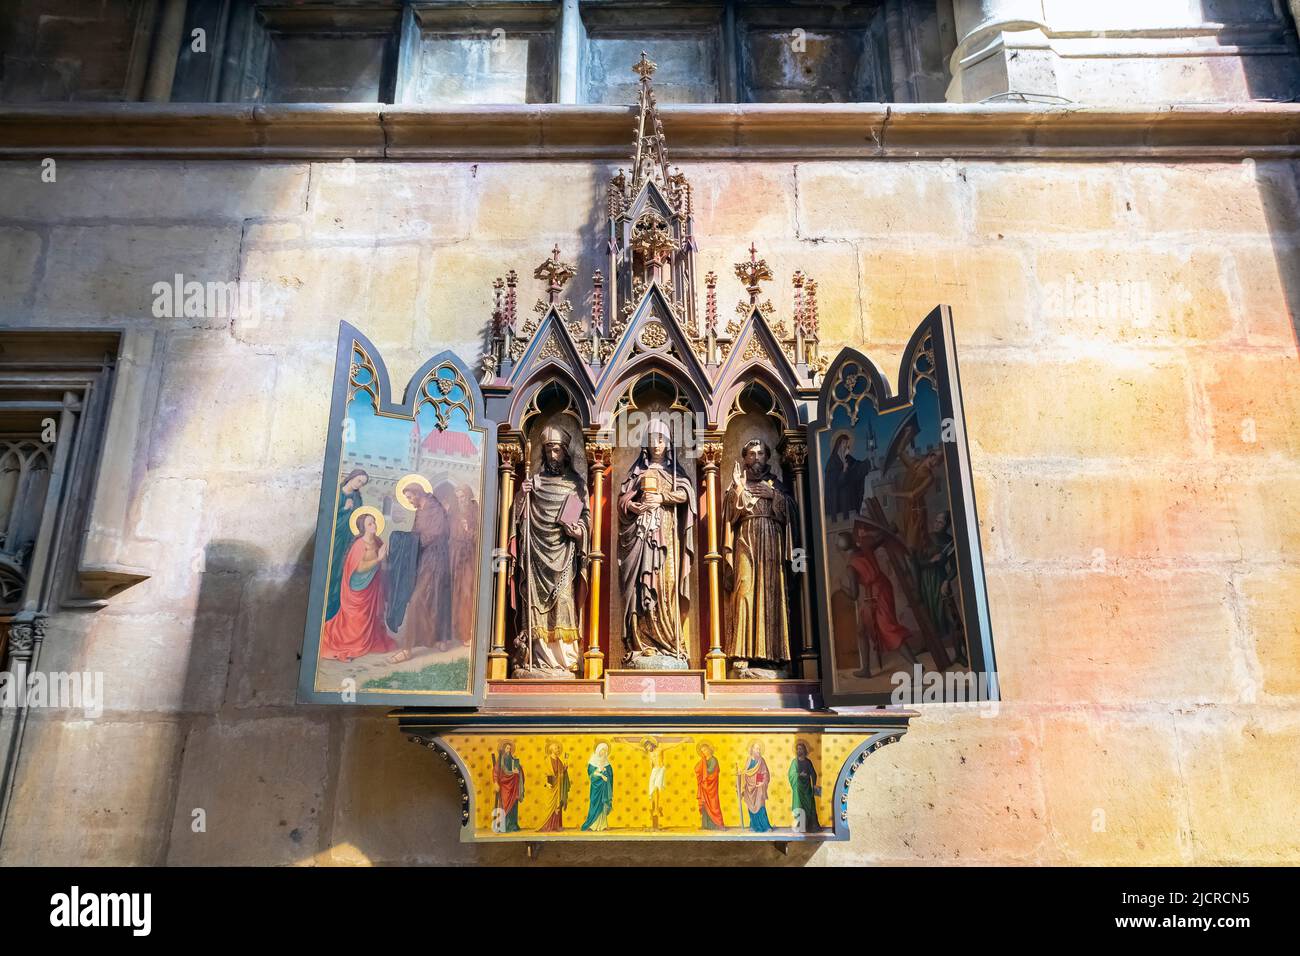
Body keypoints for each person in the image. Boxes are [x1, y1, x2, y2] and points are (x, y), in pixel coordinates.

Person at [616, 418, 695, 665]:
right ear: (646, 445)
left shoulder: (675, 472)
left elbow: (687, 494)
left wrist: (662, 497)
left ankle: (670, 643)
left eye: (661, 440)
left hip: (667, 538)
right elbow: (622, 501)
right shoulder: (637, 473)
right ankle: (643, 643)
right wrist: (634, 505)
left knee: (667, 584)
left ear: (668, 443)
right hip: (641, 538)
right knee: (641, 587)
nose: (657, 445)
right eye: (652, 441)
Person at [512, 426, 589, 675]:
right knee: (535, 606)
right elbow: (516, 522)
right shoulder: (534, 483)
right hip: (535, 553)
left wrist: (578, 532)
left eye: (557, 450)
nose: (553, 455)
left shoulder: (576, 484)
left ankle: (565, 660)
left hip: (564, 553)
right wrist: (522, 498)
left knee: (564, 600)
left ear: (566, 452)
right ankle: (537, 657)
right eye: (548, 450)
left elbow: (586, 519)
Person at [722, 439, 794, 670]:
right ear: (744, 458)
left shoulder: (776, 484)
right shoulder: (738, 483)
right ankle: (741, 651)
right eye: (751, 454)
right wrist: (738, 489)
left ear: (767, 457)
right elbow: (729, 516)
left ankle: (772, 655)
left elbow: (793, 512)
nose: (756, 458)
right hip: (746, 537)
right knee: (743, 590)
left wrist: (775, 496)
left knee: (770, 591)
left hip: (772, 540)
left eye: (760, 453)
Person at [385, 479, 452, 664]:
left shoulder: (435, 509)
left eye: (409, 497)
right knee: (423, 599)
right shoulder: (419, 512)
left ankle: (407, 649)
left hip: (436, 560)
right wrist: (402, 542)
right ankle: (433, 638)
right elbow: (415, 534)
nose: (408, 501)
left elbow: (435, 534)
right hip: (423, 559)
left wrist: (410, 542)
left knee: (420, 600)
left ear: (417, 493)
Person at [319, 509, 395, 662]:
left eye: (374, 522)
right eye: (370, 523)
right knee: (358, 619)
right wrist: (378, 559)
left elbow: (385, 562)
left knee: (371, 616)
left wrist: (386, 557)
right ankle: (350, 643)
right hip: (358, 588)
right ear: (363, 527)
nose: (374, 525)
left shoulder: (378, 541)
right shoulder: (359, 545)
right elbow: (359, 567)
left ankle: (368, 639)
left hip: (373, 584)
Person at [325, 469, 369, 620]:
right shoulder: (337, 493)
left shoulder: (357, 498)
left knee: (342, 573)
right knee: (331, 571)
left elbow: (358, 519)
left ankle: (336, 609)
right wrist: (344, 509)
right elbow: (327, 516)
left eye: (362, 483)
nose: (359, 485)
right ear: (352, 477)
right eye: (359, 481)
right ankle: (326, 607)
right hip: (335, 539)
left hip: (348, 541)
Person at [451, 485, 480, 647]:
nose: (460, 500)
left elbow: (479, 536)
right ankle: (458, 631)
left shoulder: (475, 512)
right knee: (457, 594)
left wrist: (468, 532)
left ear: (468, 496)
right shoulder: (454, 515)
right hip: (457, 560)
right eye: (457, 498)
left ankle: (467, 632)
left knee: (468, 594)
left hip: (471, 559)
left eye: (462, 497)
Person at [788, 740, 822, 832]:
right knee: (799, 805)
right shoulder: (794, 762)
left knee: (809, 805)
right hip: (798, 788)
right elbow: (791, 774)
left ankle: (811, 826)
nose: (799, 751)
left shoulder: (808, 762)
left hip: (807, 788)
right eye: (797, 749)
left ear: (804, 750)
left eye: (801, 749)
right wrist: (799, 775)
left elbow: (813, 773)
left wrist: (814, 784)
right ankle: (800, 825)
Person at [491, 741, 524, 833]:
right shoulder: (500, 760)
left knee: (513, 804)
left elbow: (516, 770)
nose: (509, 750)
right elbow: (496, 772)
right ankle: (504, 826)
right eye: (507, 748)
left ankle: (512, 825)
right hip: (505, 785)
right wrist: (496, 782)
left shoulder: (513, 759)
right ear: (503, 749)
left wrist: (519, 769)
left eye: (510, 749)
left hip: (513, 785)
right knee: (504, 804)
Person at [537, 740, 570, 832]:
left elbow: (560, 773)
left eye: (558, 748)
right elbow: (543, 774)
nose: (558, 750)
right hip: (551, 787)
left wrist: (564, 769)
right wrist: (546, 783)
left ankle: (556, 826)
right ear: (551, 750)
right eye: (556, 748)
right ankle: (547, 826)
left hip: (558, 787)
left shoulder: (559, 760)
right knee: (549, 806)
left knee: (558, 806)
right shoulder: (547, 760)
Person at [580, 743, 614, 832]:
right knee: (595, 804)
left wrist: (606, 773)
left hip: (604, 788)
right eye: (602, 750)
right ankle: (592, 825)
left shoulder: (607, 763)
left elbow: (610, 775)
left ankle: (603, 825)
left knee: (603, 805)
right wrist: (601, 774)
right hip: (596, 788)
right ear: (598, 750)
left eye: (605, 750)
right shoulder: (592, 761)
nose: (604, 752)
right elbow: (591, 775)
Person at [740, 742, 772, 832]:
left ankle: (766, 826)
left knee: (761, 806)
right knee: (751, 806)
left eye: (759, 749)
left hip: (758, 786)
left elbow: (765, 773)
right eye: (756, 749)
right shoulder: (749, 760)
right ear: (752, 750)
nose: (758, 751)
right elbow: (746, 772)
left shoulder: (761, 760)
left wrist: (762, 783)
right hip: (749, 787)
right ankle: (754, 826)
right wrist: (740, 773)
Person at [695, 743, 725, 830]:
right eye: (702, 751)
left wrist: (703, 768)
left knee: (713, 804)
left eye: (705, 749)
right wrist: (701, 768)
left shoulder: (713, 760)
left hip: (711, 786)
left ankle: (718, 825)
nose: (704, 752)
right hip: (704, 786)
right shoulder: (703, 760)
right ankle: (705, 825)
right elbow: (696, 769)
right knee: (705, 805)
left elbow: (711, 770)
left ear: (709, 749)